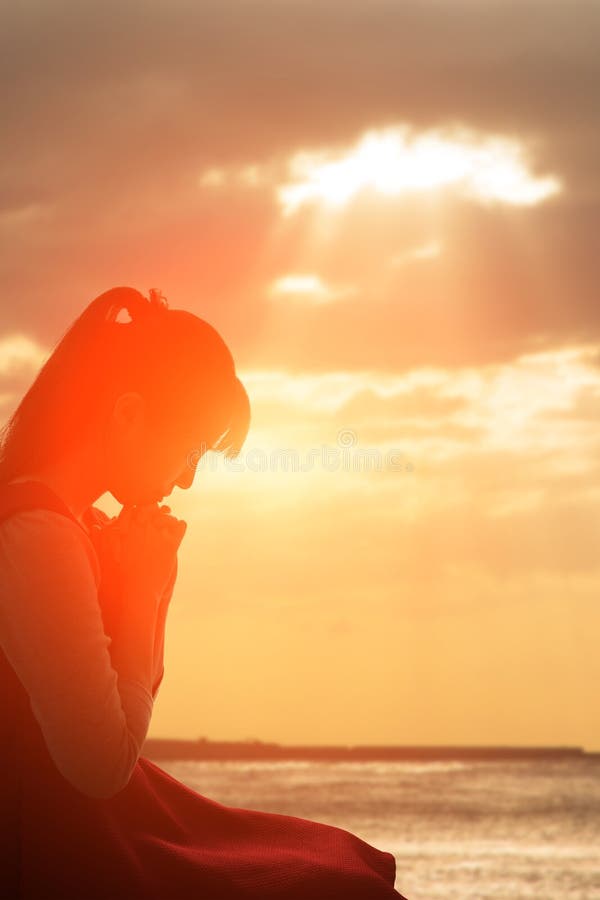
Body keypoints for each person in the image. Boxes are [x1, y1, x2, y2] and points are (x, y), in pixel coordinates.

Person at [0, 286, 407, 899]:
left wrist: (149, 586)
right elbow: (104, 764)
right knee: (332, 883)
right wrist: (143, 593)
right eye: (190, 450)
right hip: (59, 848)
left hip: (98, 828)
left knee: (333, 868)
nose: (186, 479)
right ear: (129, 414)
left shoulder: (67, 525)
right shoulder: (39, 534)